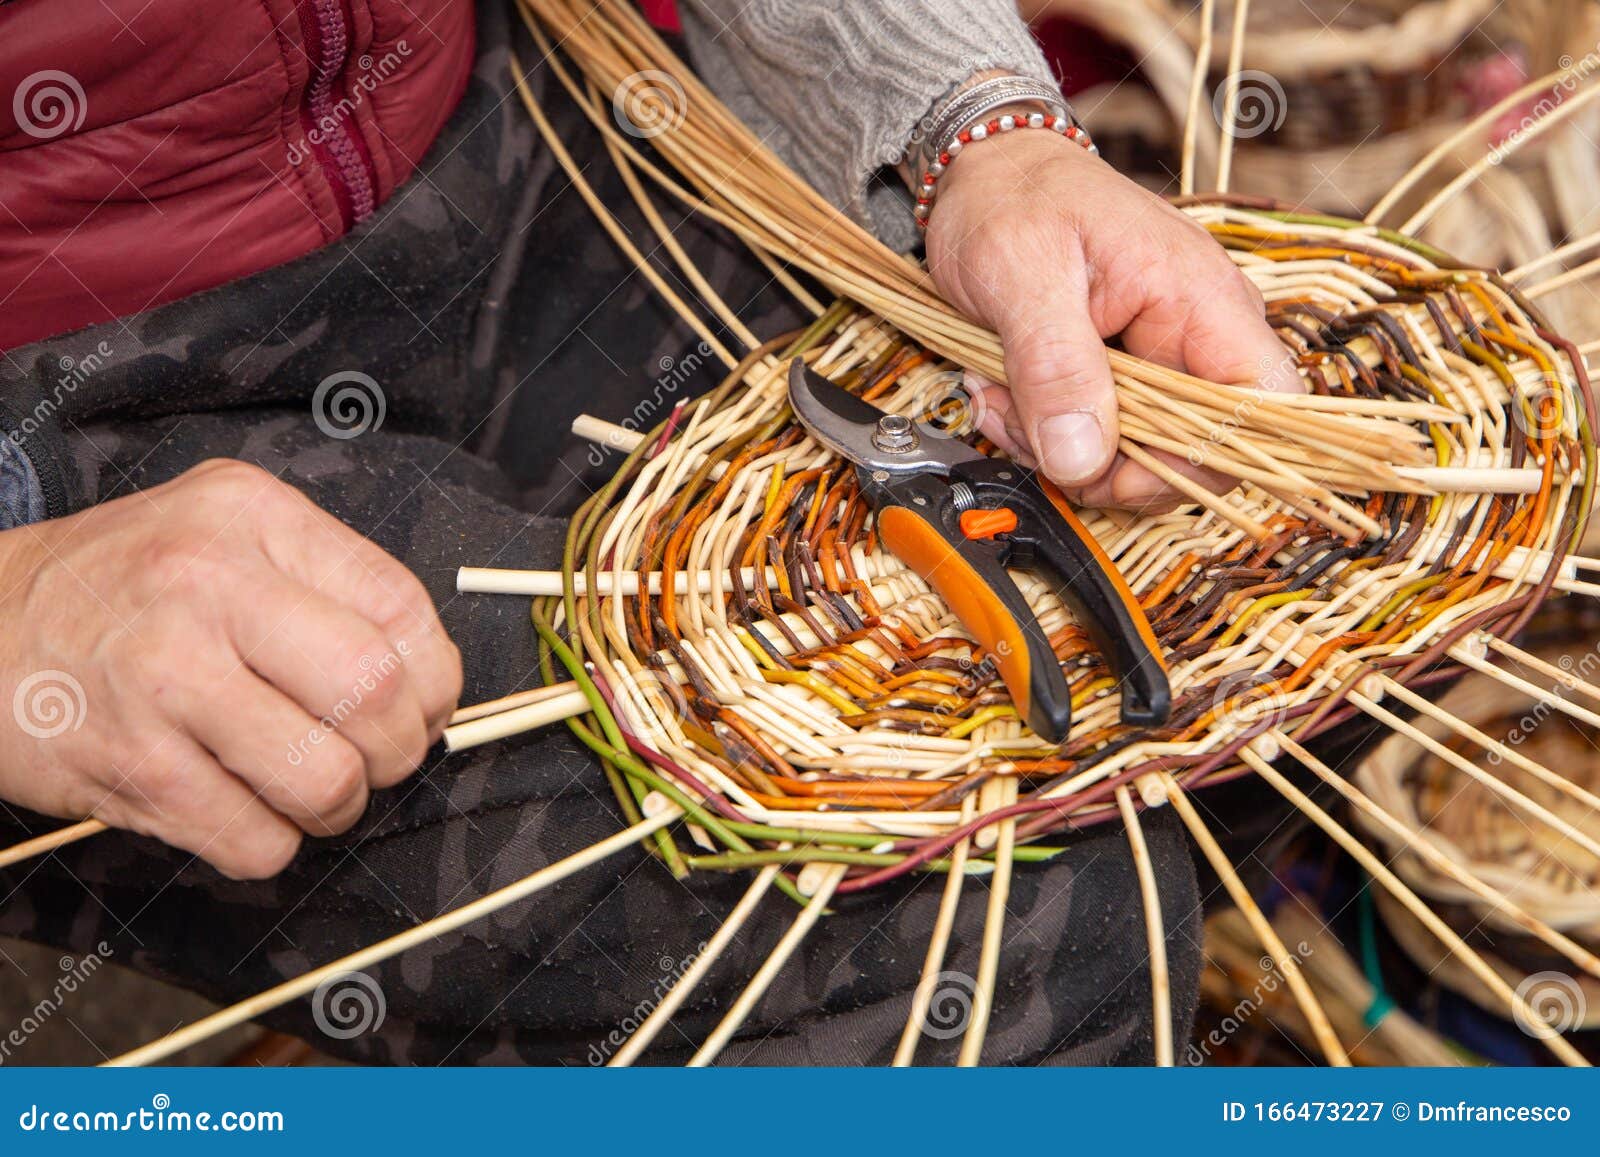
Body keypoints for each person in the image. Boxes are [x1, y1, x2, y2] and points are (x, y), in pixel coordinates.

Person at [0, 0, 1293, 1064]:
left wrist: (976, 129)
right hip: (62, 402)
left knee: (1243, 619)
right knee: (1001, 942)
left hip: (511, 121)